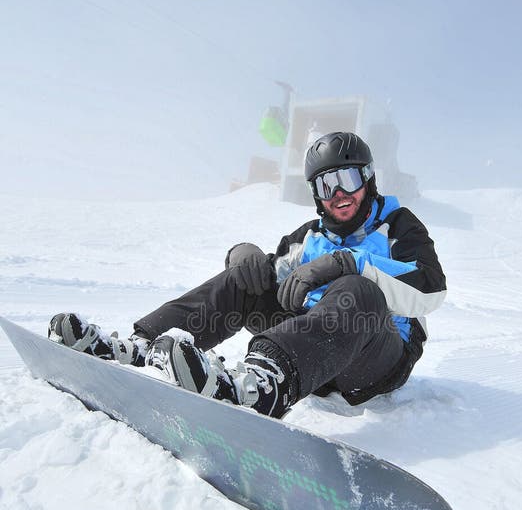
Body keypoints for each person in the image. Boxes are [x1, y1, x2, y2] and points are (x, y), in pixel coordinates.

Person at [49, 132, 447, 419]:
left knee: (356, 289)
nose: (338, 194)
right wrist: (243, 256)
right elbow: (270, 273)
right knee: (248, 278)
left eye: (348, 179)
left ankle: (265, 384)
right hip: (314, 360)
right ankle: (144, 348)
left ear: (369, 178)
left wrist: (350, 264)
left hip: (374, 361)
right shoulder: (308, 237)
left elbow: (430, 290)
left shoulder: (398, 226)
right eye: (326, 184)